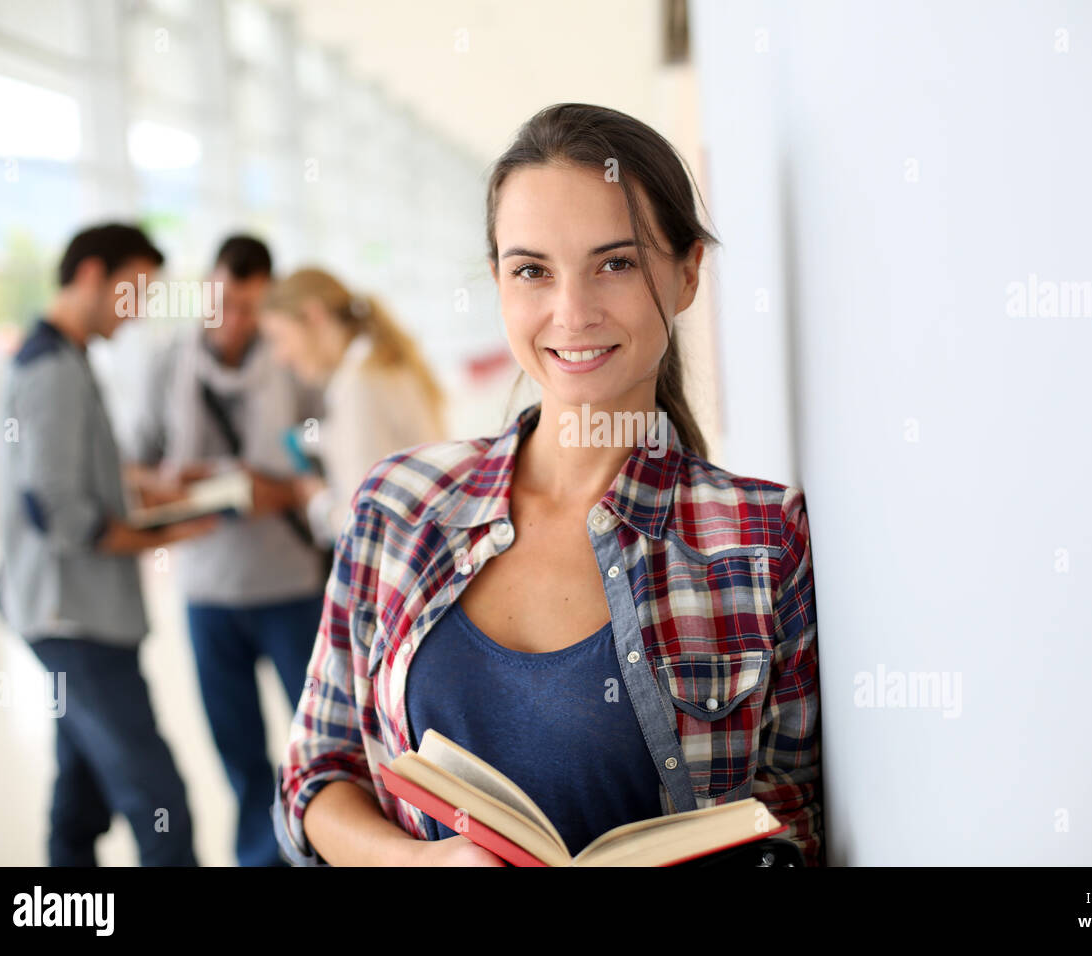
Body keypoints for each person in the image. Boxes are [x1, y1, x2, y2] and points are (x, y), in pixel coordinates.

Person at [273, 103, 824, 867]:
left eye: (617, 263)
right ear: (498, 279)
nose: (572, 313)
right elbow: (316, 773)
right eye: (531, 270)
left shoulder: (761, 541)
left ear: (688, 271)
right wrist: (419, 863)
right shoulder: (397, 506)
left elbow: (795, 816)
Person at [0, 222, 218, 866]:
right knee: (161, 804)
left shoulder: (63, 359)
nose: (139, 309)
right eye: (134, 291)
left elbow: (77, 475)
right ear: (92, 274)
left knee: (79, 802)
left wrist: (159, 486)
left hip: (78, 616)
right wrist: (167, 534)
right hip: (76, 621)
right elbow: (60, 511)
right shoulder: (52, 370)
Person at [126, 235, 327, 867]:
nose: (232, 321)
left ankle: (320, 853)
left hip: (291, 585)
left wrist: (288, 488)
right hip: (208, 593)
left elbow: (330, 460)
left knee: (318, 746)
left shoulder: (291, 358)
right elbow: (136, 462)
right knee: (239, 754)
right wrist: (166, 485)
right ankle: (258, 860)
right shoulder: (169, 363)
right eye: (222, 303)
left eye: (248, 308)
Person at [257, 267, 448, 548]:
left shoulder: (360, 383)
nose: (280, 357)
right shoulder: (377, 366)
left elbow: (363, 520)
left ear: (313, 315)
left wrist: (317, 500)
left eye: (280, 338)